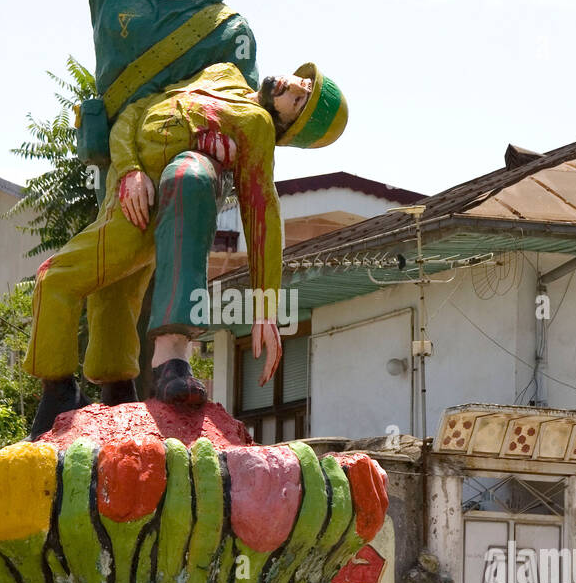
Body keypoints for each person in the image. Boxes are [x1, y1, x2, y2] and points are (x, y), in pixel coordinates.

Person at [29, 0, 260, 431]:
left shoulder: (228, 29)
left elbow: (228, 120)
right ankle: (103, 402)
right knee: (108, 293)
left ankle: (172, 358)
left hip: (175, 176)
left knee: (189, 177)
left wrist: (147, 162)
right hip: (112, 178)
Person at [25, 60, 349, 436]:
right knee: (115, 291)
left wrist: (265, 307)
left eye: (299, 100)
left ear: (287, 125)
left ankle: (57, 393)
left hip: (148, 210)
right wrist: (129, 169)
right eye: (302, 84)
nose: (293, 87)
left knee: (56, 277)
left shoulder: (255, 124)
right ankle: (116, 389)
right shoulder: (222, 73)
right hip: (123, 188)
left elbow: (262, 210)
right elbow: (136, 112)